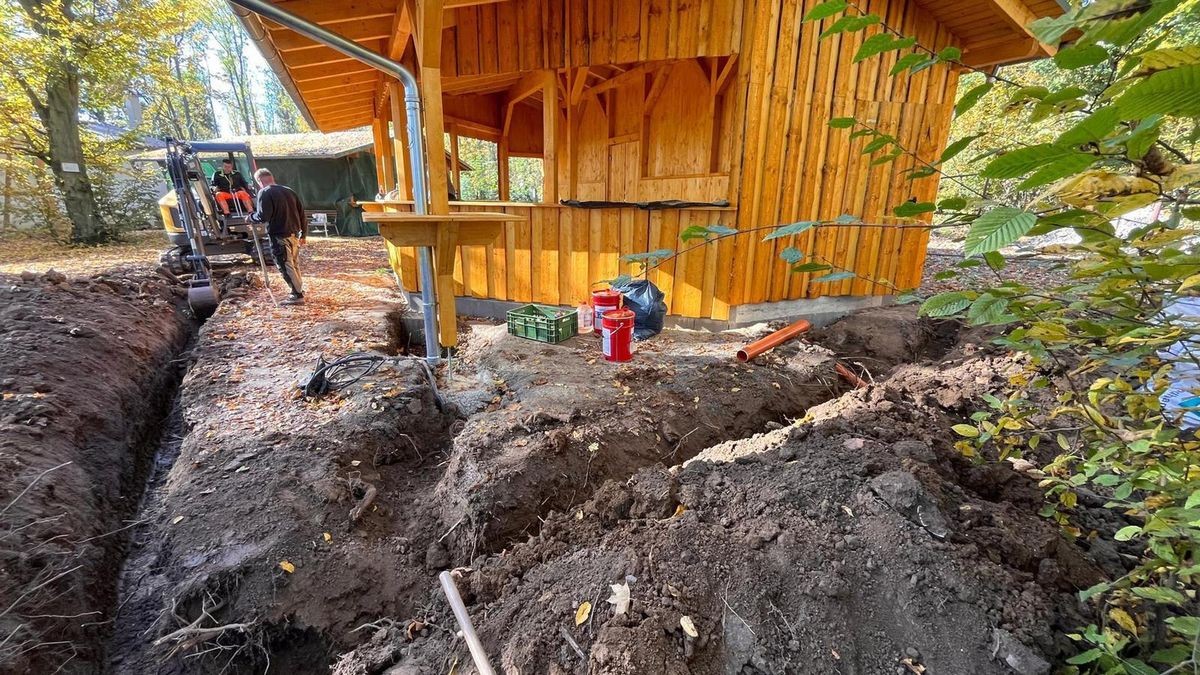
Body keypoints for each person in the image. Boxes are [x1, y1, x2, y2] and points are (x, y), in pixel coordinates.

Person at [250, 168, 307, 305]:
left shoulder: (264, 192)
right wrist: (304, 233)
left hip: (279, 234)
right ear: (272, 178)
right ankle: (298, 289)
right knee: (293, 264)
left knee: (285, 264)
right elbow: (302, 213)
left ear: (259, 181)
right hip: (294, 233)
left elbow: (263, 216)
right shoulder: (289, 191)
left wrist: (251, 217)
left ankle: (297, 294)